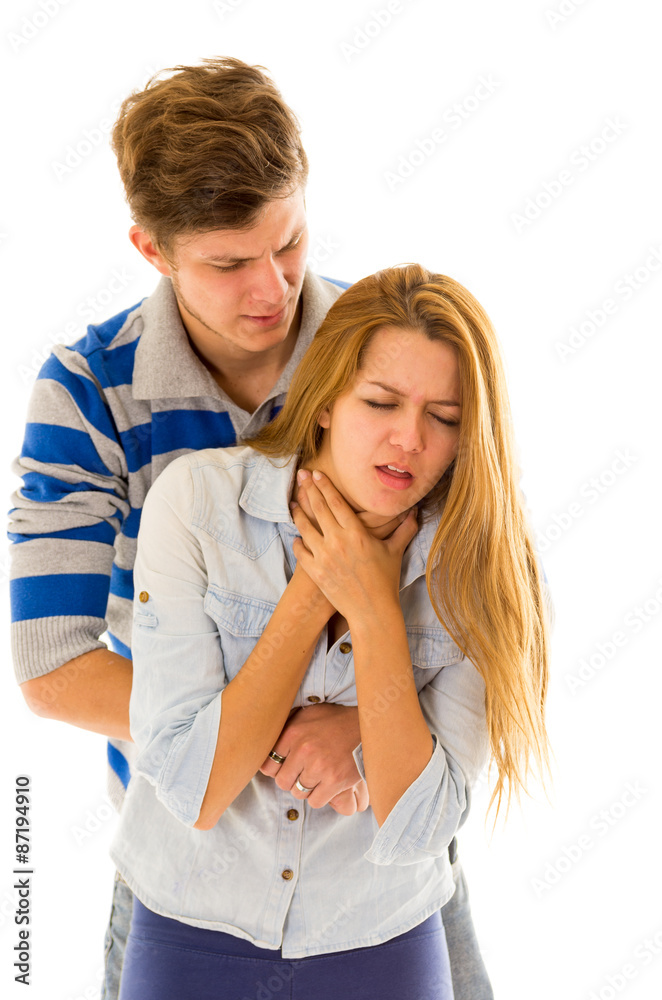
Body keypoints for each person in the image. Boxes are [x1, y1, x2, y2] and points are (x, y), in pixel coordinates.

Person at [8, 59, 494, 999]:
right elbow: (52, 662)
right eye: (228, 264)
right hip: (189, 867)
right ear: (152, 249)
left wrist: (369, 724)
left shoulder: (385, 357)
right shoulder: (88, 392)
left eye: (290, 241)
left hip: (379, 856)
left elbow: (475, 611)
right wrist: (236, 737)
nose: (271, 288)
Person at [111, 264, 550, 999]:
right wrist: (317, 587)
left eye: (444, 417)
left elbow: (419, 828)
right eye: (381, 402)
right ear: (323, 402)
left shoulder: (486, 568)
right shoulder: (195, 504)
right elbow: (195, 788)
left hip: (382, 941)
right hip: (190, 929)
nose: (408, 439)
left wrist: (375, 611)